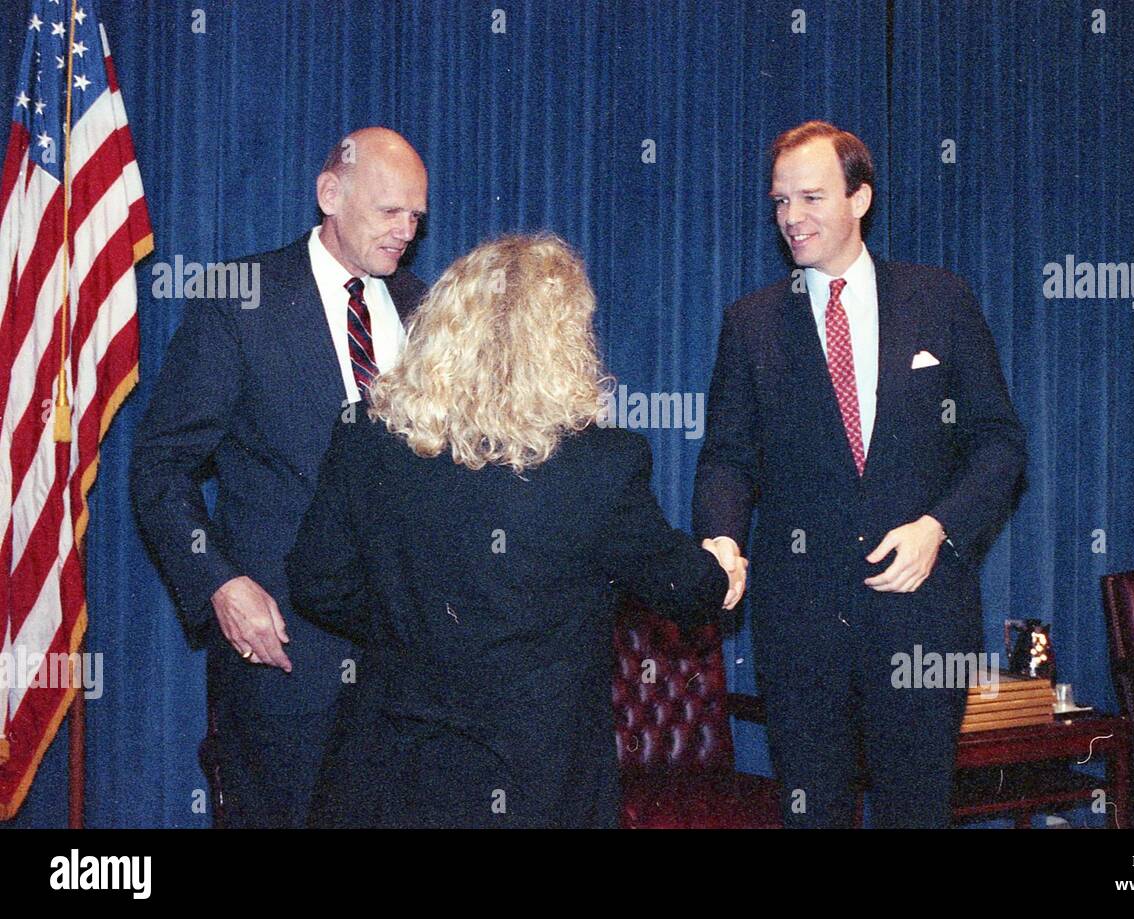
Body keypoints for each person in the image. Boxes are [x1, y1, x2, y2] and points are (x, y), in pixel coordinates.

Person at [285, 233, 744, 828]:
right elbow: (685, 587)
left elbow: (317, 582)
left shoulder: (368, 442)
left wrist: (422, 629)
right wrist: (722, 563)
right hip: (536, 782)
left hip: (389, 774)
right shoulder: (599, 465)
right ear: (563, 342)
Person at [693, 120, 1027, 828]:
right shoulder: (750, 323)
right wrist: (721, 537)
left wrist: (940, 527)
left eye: (810, 197)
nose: (791, 217)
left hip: (922, 620)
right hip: (801, 626)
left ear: (861, 197)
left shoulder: (942, 299)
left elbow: (1000, 444)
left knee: (915, 814)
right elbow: (726, 456)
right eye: (780, 200)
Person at [129, 127, 429, 827]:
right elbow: (160, 465)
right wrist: (220, 583)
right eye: (390, 211)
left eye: (416, 215)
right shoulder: (241, 301)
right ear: (331, 194)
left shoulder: (429, 309)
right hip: (285, 660)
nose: (407, 231)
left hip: (407, 666)